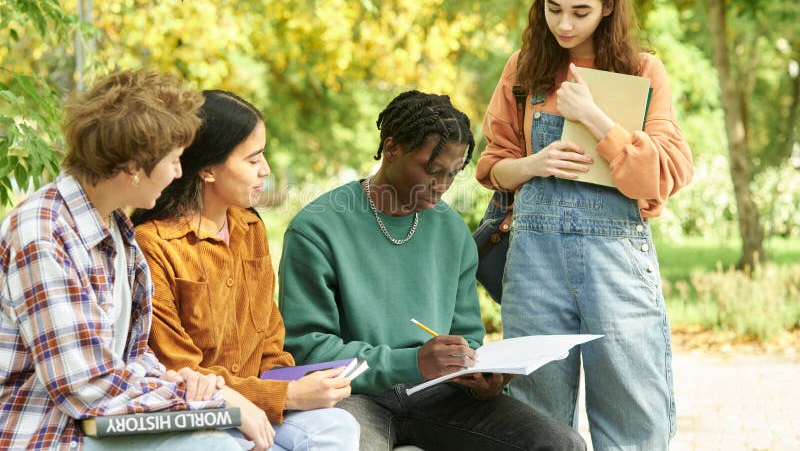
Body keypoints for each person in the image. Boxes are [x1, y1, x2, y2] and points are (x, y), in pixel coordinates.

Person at [279, 90, 586, 451]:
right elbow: (308, 352)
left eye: (453, 174)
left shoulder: (452, 232)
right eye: (431, 169)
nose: (441, 186)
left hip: (439, 394)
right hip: (354, 395)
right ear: (391, 148)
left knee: (560, 444)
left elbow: (467, 337)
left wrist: (475, 373)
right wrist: (411, 362)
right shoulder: (317, 229)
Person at [476, 0, 694, 450]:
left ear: (609, 5)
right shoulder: (523, 70)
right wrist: (534, 164)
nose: (565, 25)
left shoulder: (643, 71)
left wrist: (596, 118)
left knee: (633, 412)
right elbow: (492, 166)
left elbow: (658, 178)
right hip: (533, 263)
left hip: (616, 260)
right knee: (537, 417)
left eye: (580, 11)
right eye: (554, 9)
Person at [0, 70, 268, 451]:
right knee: (213, 445)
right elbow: (85, 387)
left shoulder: (114, 228)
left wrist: (183, 382)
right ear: (134, 166)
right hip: (52, 432)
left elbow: (130, 357)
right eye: (174, 159)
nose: (179, 172)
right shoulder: (43, 232)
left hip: (101, 425)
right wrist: (218, 402)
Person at [131, 90, 360, 451]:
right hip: (201, 408)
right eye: (253, 160)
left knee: (337, 426)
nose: (265, 170)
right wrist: (288, 395)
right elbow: (178, 368)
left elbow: (269, 341)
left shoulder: (250, 229)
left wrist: (297, 382)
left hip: (263, 398)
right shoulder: (154, 245)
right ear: (207, 168)